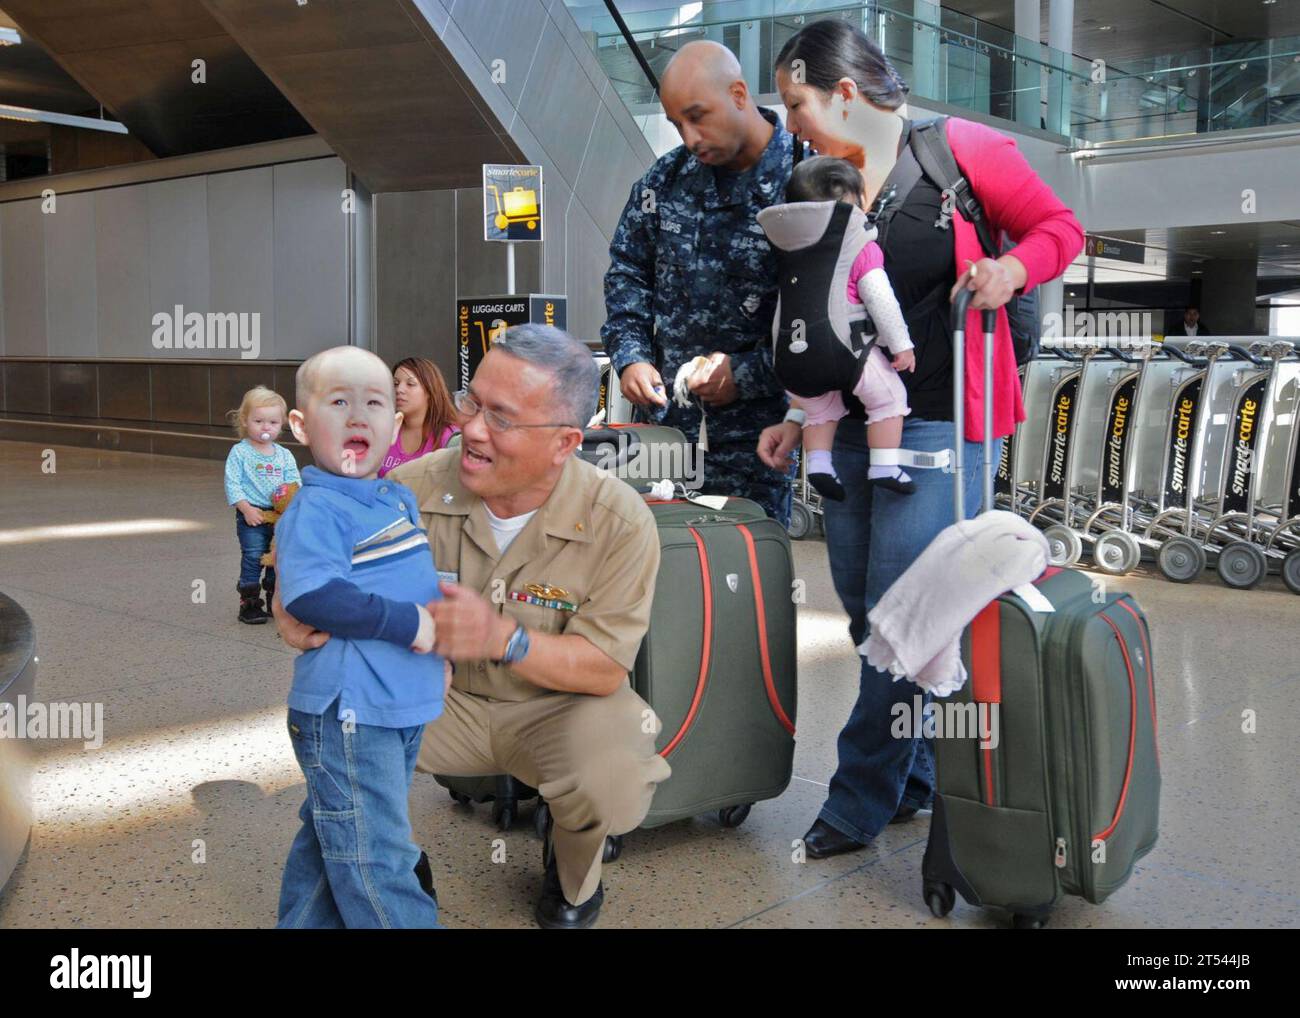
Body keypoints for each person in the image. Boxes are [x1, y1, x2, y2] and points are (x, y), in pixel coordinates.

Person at [758, 19, 1084, 859]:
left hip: (942, 423)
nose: (787, 120)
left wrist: (1012, 269)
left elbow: (1059, 229)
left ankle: (856, 800)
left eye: (796, 102)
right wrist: (799, 418)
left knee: (905, 613)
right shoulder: (816, 180)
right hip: (851, 424)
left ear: (845, 92)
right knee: (868, 608)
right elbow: (822, 317)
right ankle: (919, 779)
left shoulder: (958, 151)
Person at [274, 325, 671, 930]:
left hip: (551, 706)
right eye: (472, 403)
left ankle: (572, 880)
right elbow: (315, 535)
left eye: (502, 419)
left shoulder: (619, 520)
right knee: (344, 767)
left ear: (565, 441)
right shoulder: (408, 487)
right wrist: (286, 600)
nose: (473, 429)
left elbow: (603, 666)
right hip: (436, 698)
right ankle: (386, 859)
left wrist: (502, 639)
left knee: (612, 776)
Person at [273, 346, 449, 929]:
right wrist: (411, 624)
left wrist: (438, 641)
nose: (358, 417)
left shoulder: (394, 498)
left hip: (397, 703)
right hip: (350, 713)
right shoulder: (319, 506)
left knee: (338, 829)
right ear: (300, 425)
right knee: (377, 857)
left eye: (374, 403)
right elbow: (313, 595)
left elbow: (411, 580)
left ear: (395, 426)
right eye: (338, 402)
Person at [602, 39, 796, 524]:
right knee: (662, 568)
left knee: (747, 577)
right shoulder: (664, 182)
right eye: (676, 124)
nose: (689, 137)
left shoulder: (805, 178)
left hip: (757, 439)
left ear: (737, 93)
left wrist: (747, 375)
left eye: (697, 116)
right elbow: (627, 271)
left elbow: (825, 316)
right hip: (667, 435)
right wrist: (632, 357)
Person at [760, 154, 916, 499]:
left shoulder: (786, 245)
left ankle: (818, 464)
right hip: (844, 351)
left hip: (790, 360)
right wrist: (901, 344)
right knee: (889, 399)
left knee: (820, 410)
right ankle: (885, 466)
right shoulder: (857, 243)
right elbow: (880, 297)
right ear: (850, 199)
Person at [223, 386, 301, 624]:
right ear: (245, 421)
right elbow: (232, 483)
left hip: (280, 516)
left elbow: (294, 482)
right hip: (252, 515)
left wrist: (294, 505)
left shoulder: (284, 455)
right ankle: (249, 602)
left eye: (273, 422)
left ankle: (273, 598)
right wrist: (246, 509)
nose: (266, 427)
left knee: (276, 557)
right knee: (254, 556)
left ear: (281, 424)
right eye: (259, 421)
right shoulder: (240, 452)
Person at [379, 356, 460, 478]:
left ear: (430, 391)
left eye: (410, 384)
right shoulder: (384, 429)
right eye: (395, 384)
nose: (399, 389)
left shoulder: (449, 438)